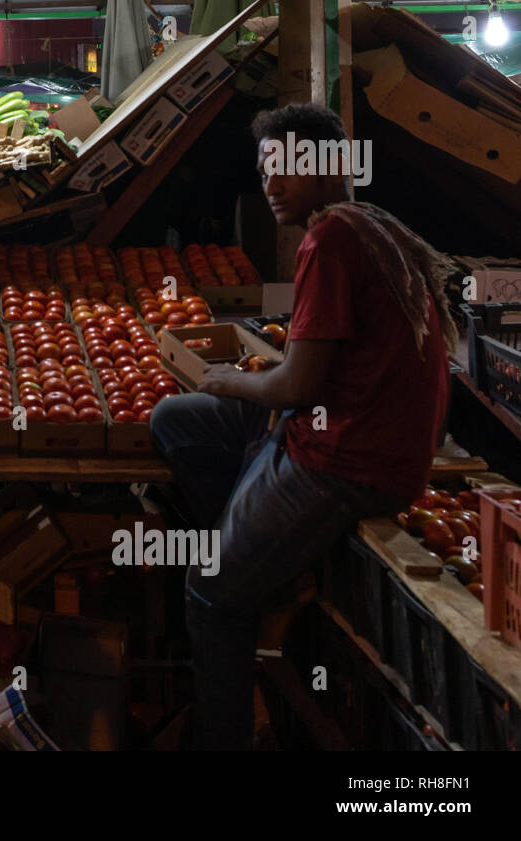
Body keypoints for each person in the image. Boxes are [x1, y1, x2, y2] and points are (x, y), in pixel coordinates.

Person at [149, 102, 453, 750]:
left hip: (347, 461)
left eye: (286, 165)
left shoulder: (331, 239)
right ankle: (263, 556)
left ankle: (224, 732)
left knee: (205, 592)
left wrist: (227, 379)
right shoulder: (373, 225)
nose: (271, 183)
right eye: (264, 170)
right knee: (176, 420)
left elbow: (297, 386)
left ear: (333, 165)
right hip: (350, 430)